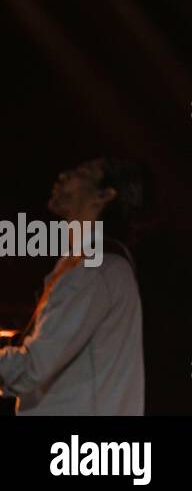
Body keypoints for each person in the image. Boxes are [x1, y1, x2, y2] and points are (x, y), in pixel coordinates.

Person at [0, 157, 152, 415]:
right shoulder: (96, 266)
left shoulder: (94, 271)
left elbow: (32, 368)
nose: (63, 176)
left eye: (82, 172)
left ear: (104, 195)